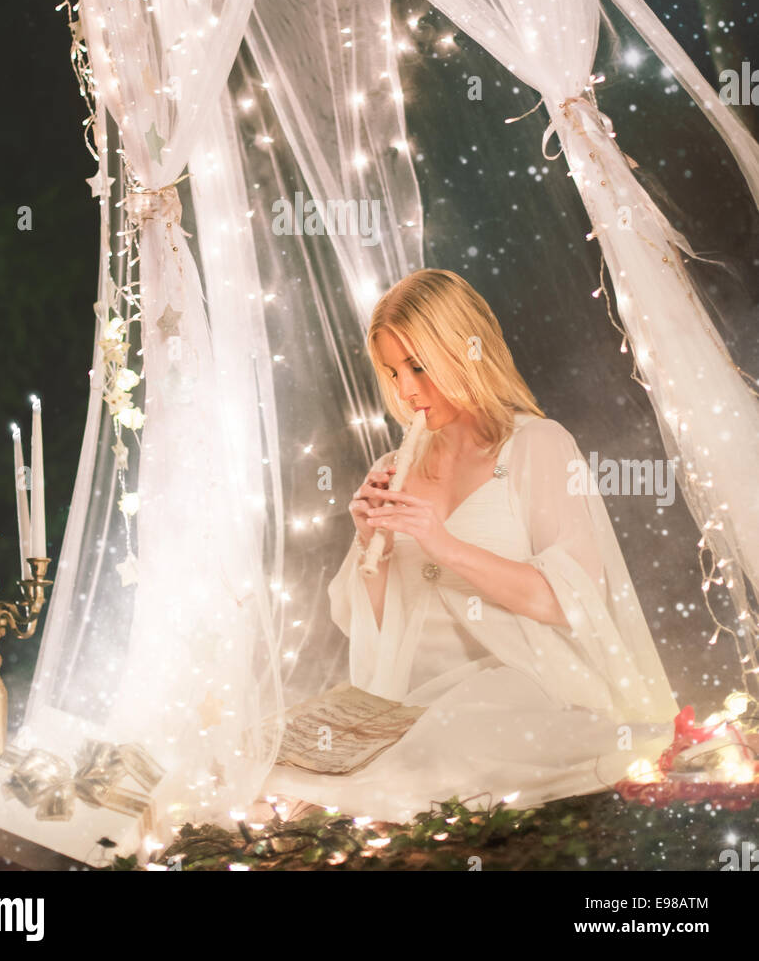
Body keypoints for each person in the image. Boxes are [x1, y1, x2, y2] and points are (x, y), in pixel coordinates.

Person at [260, 268, 680, 823]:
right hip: (407, 698)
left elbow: (566, 601)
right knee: (264, 754)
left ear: (467, 350)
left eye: (419, 366)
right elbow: (375, 627)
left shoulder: (537, 445)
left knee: (438, 759)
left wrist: (442, 543)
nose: (407, 391)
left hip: (522, 686)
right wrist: (373, 546)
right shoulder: (394, 467)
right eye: (392, 371)